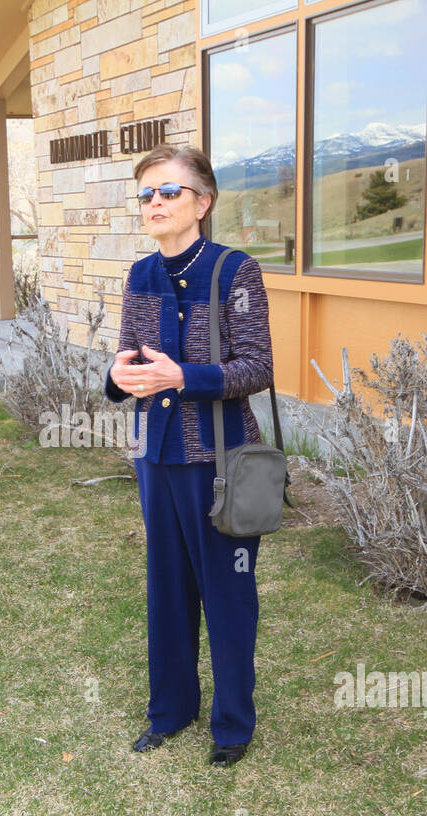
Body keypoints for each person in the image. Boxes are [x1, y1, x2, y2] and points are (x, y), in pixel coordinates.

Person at [106, 144, 274, 768]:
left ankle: (232, 726)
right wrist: (117, 375)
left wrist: (187, 378)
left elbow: (258, 366)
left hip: (221, 460)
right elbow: (128, 356)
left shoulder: (236, 271)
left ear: (202, 203)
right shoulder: (140, 276)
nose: (154, 203)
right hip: (156, 456)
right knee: (167, 590)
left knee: (228, 593)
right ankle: (170, 711)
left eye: (167, 192)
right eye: (146, 193)